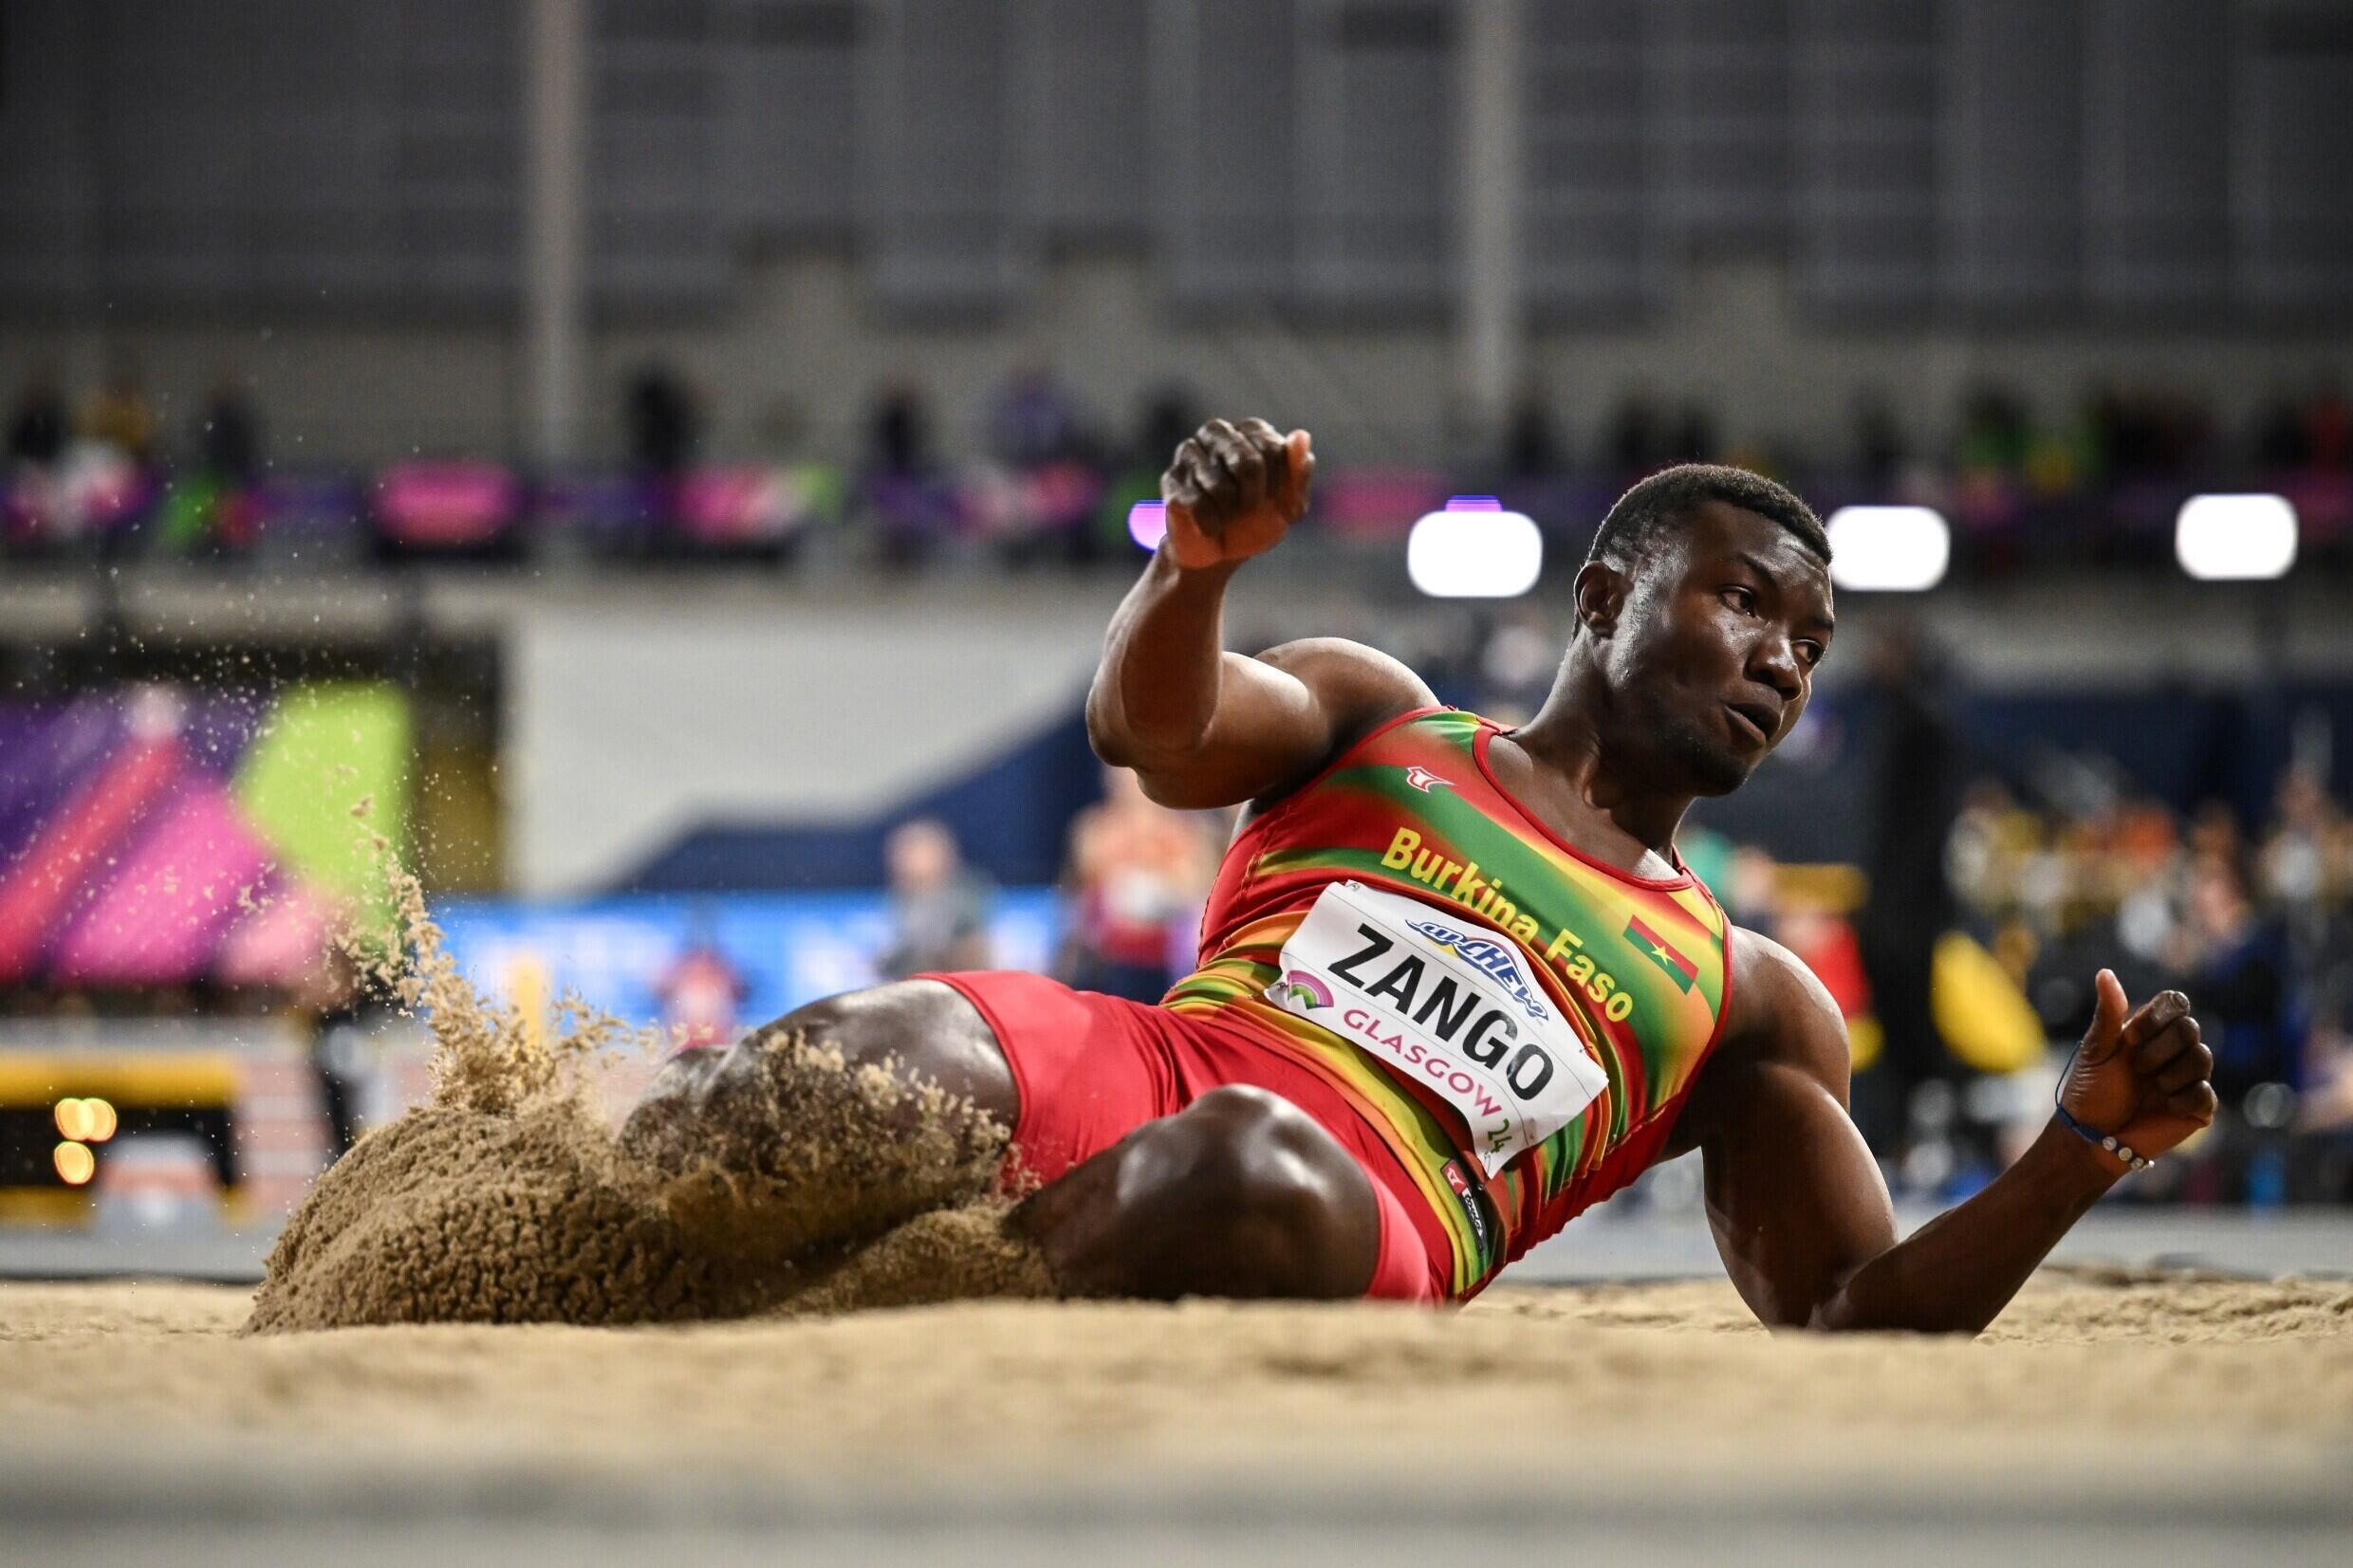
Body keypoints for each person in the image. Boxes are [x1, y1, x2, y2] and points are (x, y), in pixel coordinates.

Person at [624, 420, 2217, 1326]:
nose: (1783, 661)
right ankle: (567, 1222)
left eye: (1810, 641)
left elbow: (1849, 1307)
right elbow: (1148, 730)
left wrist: (2076, 1151)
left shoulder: (1748, 997)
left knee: (1254, 1163)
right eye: (1743, 604)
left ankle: (862, 1316)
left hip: (1368, 1206)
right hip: (1161, 1060)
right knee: (872, 1053)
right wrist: (1191, 571)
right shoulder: (1379, 716)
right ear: (1603, 596)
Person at [1056, 766, 1218, 1004]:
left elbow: (1200, 886)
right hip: (1109, 964)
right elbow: (1082, 891)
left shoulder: (1185, 830)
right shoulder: (1096, 830)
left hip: (1170, 963)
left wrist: (1163, 886)